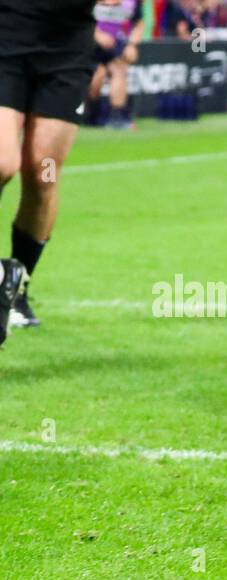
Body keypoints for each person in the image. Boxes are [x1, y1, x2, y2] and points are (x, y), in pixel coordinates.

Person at [0, 0, 104, 341]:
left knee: (43, 172)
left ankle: (16, 288)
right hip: (7, 38)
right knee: (3, 163)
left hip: (65, 55)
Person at [88, 0, 145, 130]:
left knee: (119, 70)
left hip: (114, 43)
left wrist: (132, 44)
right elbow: (79, 17)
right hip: (89, 43)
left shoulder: (134, 3)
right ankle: (92, 114)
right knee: (98, 75)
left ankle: (117, 117)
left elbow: (138, 22)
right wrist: (97, 34)